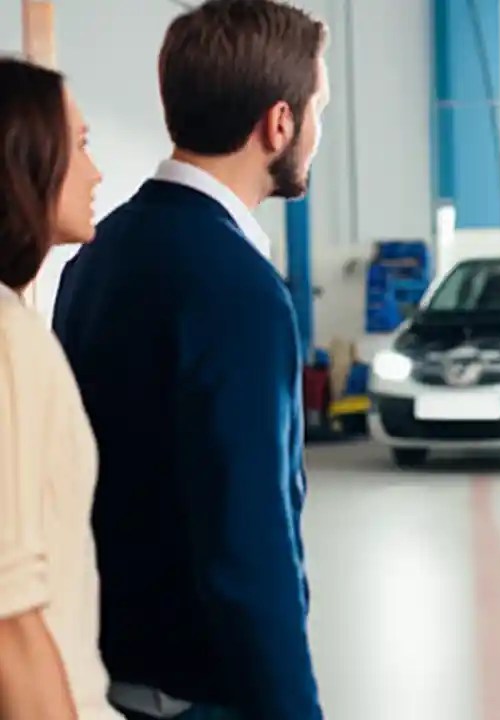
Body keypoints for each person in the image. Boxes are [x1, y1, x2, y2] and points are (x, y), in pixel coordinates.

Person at [50, 2, 331, 718]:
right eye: (318, 110)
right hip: (202, 696)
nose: (316, 132)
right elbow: (249, 549)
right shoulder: (237, 286)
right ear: (279, 123)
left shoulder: (99, 255)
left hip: (110, 674)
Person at [0, 58, 118, 718]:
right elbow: (10, 628)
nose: (96, 172)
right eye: (80, 144)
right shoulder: (8, 341)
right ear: (25, 160)